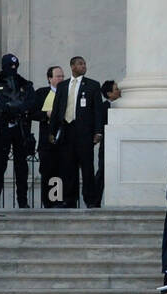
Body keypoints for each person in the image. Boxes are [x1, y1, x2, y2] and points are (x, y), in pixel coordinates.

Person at [49, 56, 105, 209]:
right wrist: (52, 131)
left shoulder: (93, 85)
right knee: (68, 167)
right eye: (80, 64)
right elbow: (56, 110)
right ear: (72, 66)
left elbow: (98, 111)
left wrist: (98, 131)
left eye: (84, 64)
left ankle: (90, 200)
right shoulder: (62, 86)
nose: (83, 66)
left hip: (84, 132)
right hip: (67, 130)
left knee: (87, 167)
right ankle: (69, 199)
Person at [0, 53, 35, 209]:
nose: (13, 69)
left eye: (15, 66)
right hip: (2, 128)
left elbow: (30, 103)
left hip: (20, 128)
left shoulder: (25, 84)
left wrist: (17, 109)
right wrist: (8, 109)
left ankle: (22, 200)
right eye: (10, 66)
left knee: (21, 166)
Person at [33, 65, 65, 207]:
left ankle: (58, 200)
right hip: (46, 141)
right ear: (49, 78)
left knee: (61, 172)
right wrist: (46, 114)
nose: (61, 79)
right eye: (58, 76)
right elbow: (32, 112)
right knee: (47, 171)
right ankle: (48, 203)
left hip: (64, 140)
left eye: (62, 76)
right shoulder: (41, 93)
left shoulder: (67, 92)